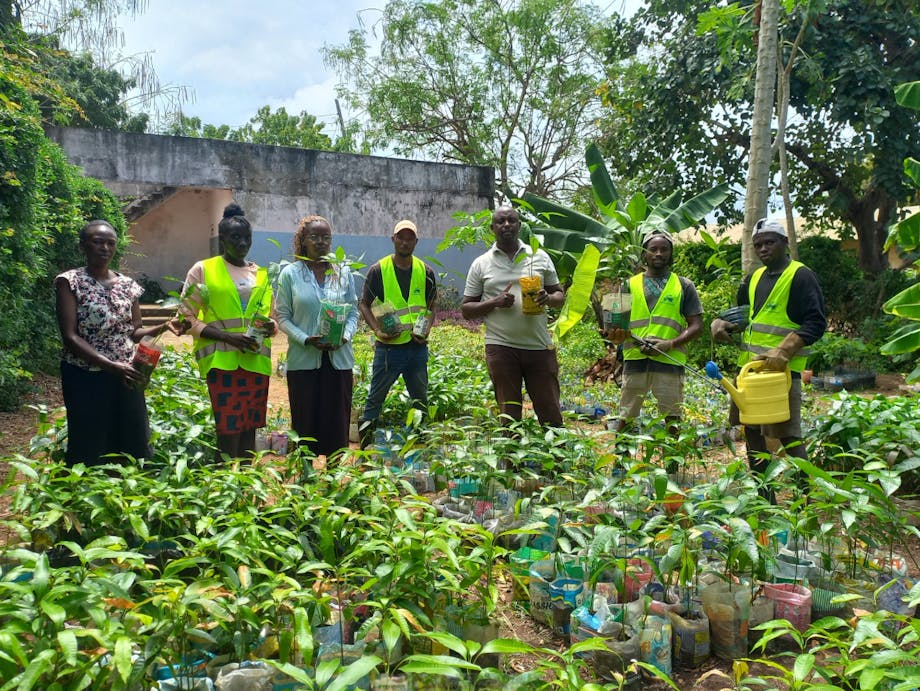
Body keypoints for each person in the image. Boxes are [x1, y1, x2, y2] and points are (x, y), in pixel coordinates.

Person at [711, 218, 827, 502]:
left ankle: (804, 501)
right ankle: (766, 500)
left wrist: (785, 350)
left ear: (784, 243)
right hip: (749, 374)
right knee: (752, 433)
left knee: (788, 436)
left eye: (769, 242)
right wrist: (721, 324)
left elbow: (816, 322)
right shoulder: (752, 280)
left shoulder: (800, 276)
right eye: (758, 245)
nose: (763, 249)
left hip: (781, 375)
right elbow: (744, 319)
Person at [55, 219, 178, 465]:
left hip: (126, 374)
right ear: (83, 246)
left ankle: (124, 490)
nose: (105, 248)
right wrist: (110, 365)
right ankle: (85, 491)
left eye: (110, 243)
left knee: (131, 435)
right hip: (85, 374)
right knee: (89, 435)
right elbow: (70, 336)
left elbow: (134, 331)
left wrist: (164, 326)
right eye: (97, 242)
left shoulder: (128, 286)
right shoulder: (70, 282)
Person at [181, 203, 277, 461]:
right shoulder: (203, 269)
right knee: (228, 428)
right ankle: (225, 484)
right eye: (235, 237)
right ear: (222, 239)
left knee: (250, 426)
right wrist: (227, 337)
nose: (243, 242)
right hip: (222, 362)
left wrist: (271, 327)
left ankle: (245, 483)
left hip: (255, 361)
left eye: (247, 238)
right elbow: (185, 318)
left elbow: (271, 318)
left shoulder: (262, 274)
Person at [461, 205, 565, 427]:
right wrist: (494, 302)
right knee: (509, 413)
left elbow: (560, 295)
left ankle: (558, 460)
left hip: (539, 346)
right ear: (492, 228)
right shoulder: (481, 263)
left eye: (511, 220)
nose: (506, 225)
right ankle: (510, 461)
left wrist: (548, 297)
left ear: (519, 225)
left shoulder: (539, 256)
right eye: (501, 221)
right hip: (501, 347)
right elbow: (466, 309)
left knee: (550, 410)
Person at [275, 215, 359, 461]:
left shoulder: (343, 272)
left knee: (337, 421)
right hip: (304, 361)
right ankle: (305, 477)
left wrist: (345, 336)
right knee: (305, 421)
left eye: (326, 238)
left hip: (338, 360)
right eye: (315, 237)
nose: (321, 242)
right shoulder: (290, 274)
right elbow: (282, 316)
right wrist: (305, 339)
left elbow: (353, 310)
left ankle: (335, 477)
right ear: (303, 240)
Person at [608, 230, 703, 443]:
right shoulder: (627, 285)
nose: (658, 253)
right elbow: (615, 324)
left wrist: (670, 344)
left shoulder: (684, 285)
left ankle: (672, 470)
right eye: (653, 249)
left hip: (669, 361)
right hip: (635, 360)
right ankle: (619, 467)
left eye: (664, 249)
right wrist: (615, 333)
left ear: (671, 253)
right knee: (626, 416)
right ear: (645, 254)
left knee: (672, 418)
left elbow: (697, 325)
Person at [357, 219, 437, 449]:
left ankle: (419, 448)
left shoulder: (426, 271)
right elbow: (364, 304)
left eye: (409, 237)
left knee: (420, 399)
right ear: (393, 239)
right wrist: (377, 330)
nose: (404, 241)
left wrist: (426, 329)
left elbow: (432, 304)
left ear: (416, 241)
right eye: (400, 237)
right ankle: (365, 451)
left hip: (416, 348)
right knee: (375, 399)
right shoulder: (378, 270)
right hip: (389, 349)